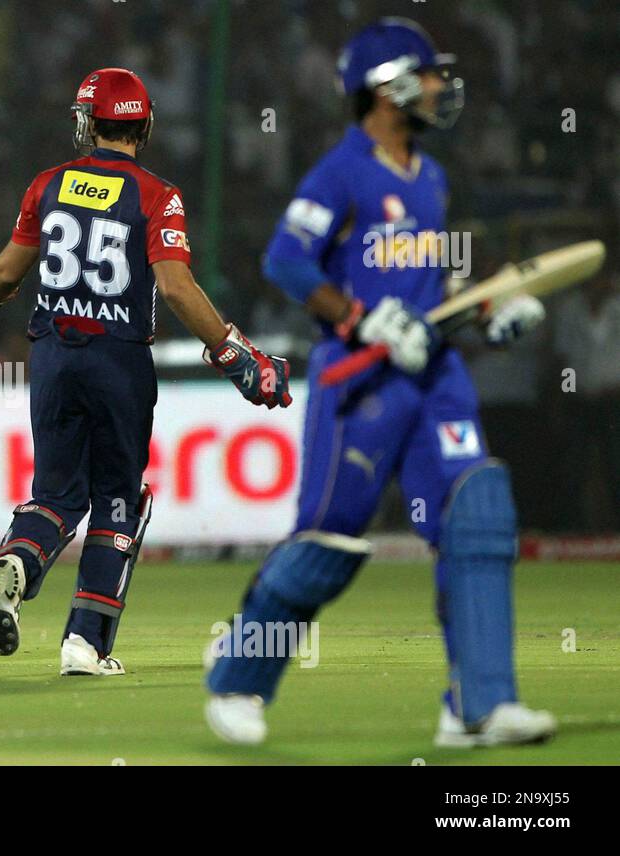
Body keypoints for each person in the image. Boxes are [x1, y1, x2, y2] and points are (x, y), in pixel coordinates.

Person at [203, 18, 556, 746]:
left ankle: (477, 705)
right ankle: (239, 679)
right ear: (388, 85)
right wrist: (360, 320)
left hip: (436, 378)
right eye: (427, 73)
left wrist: (486, 315)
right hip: (360, 380)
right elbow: (287, 261)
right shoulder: (342, 171)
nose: (438, 87)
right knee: (328, 542)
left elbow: (430, 289)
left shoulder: (430, 175)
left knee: (477, 513)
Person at [0, 68, 292, 676]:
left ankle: (20, 558)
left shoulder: (48, 184)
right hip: (117, 361)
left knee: (55, 496)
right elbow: (176, 288)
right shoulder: (158, 195)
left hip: (51, 356)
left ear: (86, 123)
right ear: (145, 124)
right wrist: (239, 355)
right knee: (119, 499)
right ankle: (85, 642)